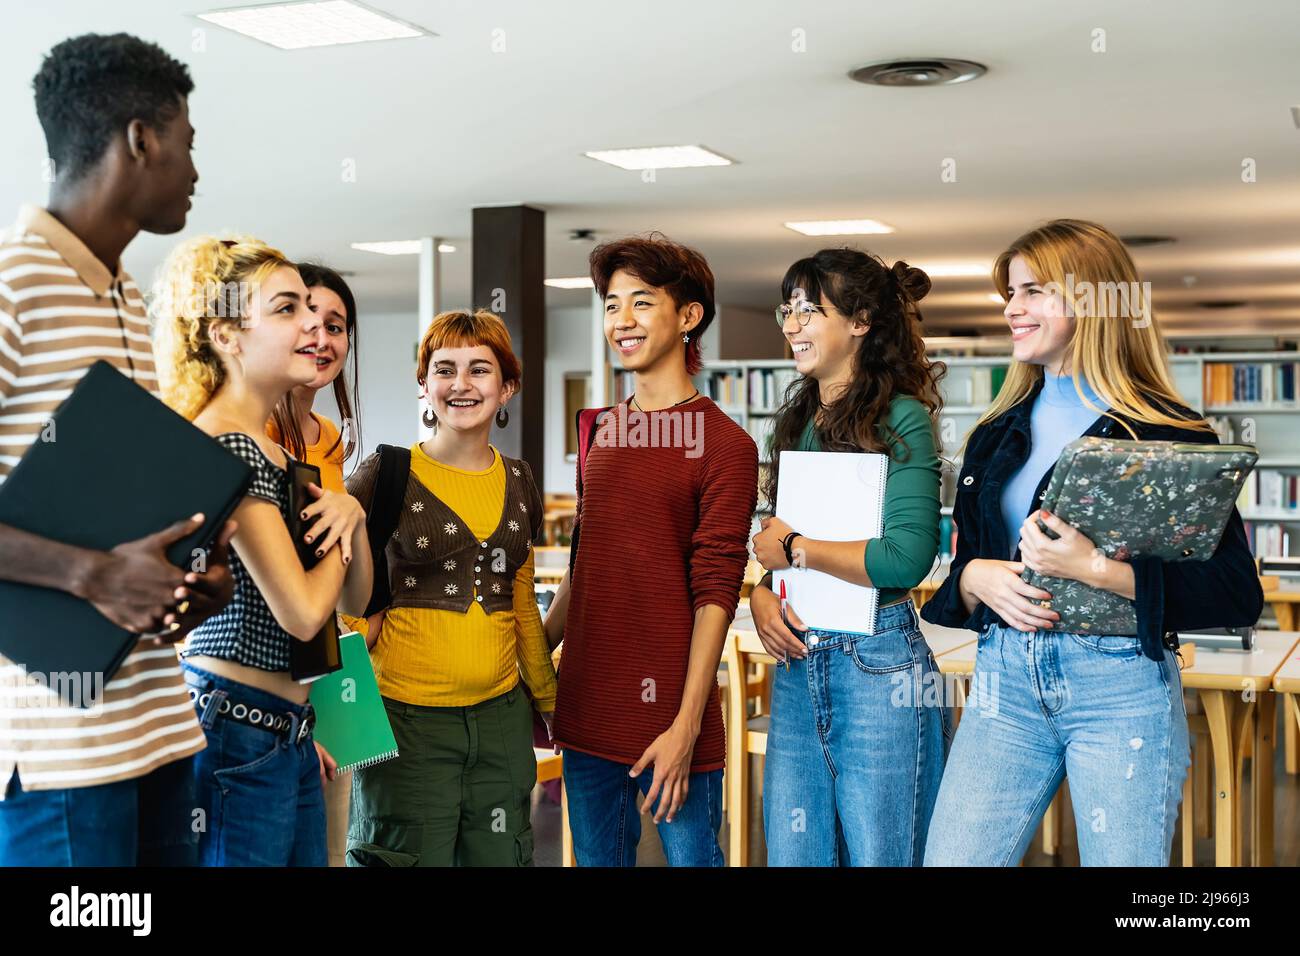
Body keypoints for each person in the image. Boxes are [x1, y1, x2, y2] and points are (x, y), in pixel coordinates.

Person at [921, 219, 1264, 866]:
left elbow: (1233, 593)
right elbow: (968, 563)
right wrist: (973, 580)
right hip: (1005, 680)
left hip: (1119, 686)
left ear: (1093, 301)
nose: (1011, 308)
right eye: (1010, 293)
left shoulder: (1171, 433)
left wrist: (1097, 569)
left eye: (1033, 292)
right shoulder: (994, 434)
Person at [0, 33, 235, 867]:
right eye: (188, 144)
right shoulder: (12, 283)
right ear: (140, 139)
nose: (195, 170)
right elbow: (88, 558)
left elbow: (113, 504)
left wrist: (184, 575)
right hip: (61, 753)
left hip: (159, 729)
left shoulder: (127, 298)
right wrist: (93, 575)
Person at [152, 235, 373, 866]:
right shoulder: (227, 446)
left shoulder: (281, 456)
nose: (314, 325)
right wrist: (347, 515)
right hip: (239, 731)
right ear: (226, 335)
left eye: (315, 309)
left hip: (287, 730)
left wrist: (348, 521)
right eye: (287, 309)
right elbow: (303, 612)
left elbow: (354, 598)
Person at [545, 235, 758, 867]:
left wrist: (687, 726)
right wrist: (534, 642)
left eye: (641, 302)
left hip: (672, 715)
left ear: (688, 315)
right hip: (586, 710)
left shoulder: (726, 445)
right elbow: (589, 564)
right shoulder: (603, 432)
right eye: (611, 306)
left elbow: (716, 591)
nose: (622, 322)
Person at [749, 249, 947, 866]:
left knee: (882, 856)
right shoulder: (801, 418)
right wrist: (761, 591)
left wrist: (794, 551)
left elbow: (905, 559)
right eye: (787, 310)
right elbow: (779, 554)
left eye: (811, 310)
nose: (792, 324)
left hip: (878, 665)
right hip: (798, 656)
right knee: (794, 854)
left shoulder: (902, 417)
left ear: (860, 321)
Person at [345, 309, 556, 867]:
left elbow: (522, 604)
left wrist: (552, 703)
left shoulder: (521, 480)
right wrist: (342, 721)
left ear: (507, 386)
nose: (460, 384)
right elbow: (338, 607)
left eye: (479, 370)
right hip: (404, 727)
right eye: (444, 369)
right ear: (424, 385)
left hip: (501, 727)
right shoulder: (383, 475)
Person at [266, 262, 362, 867]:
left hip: (327, 675)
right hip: (271, 683)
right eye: (305, 318)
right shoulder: (255, 432)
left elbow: (335, 561)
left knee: (331, 850)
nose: (320, 337)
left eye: (336, 325)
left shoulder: (328, 436)